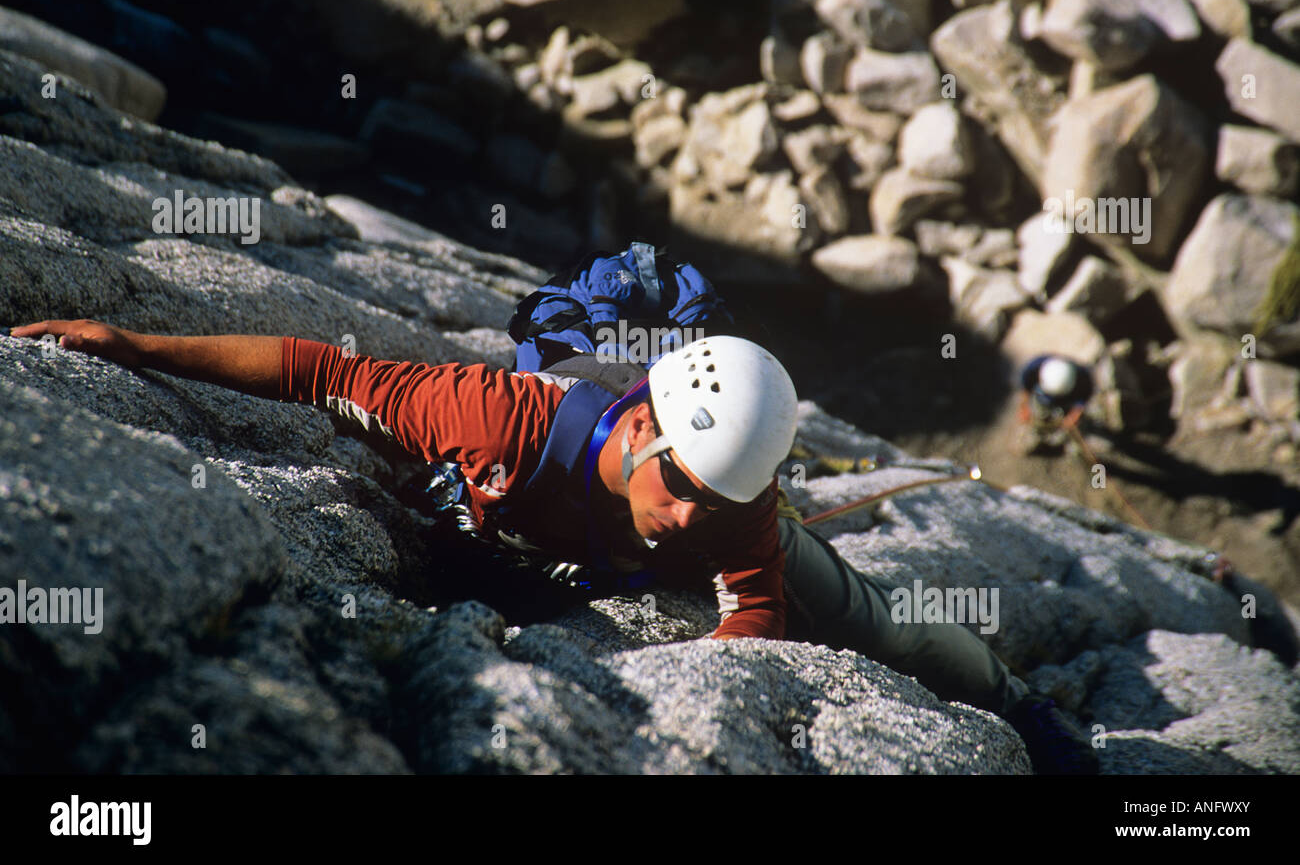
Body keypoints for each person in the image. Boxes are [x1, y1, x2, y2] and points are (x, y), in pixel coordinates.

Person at [8, 318, 1099, 774]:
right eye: (675, 482)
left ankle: (1022, 698)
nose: (683, 513)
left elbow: (755, 618)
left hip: (590, 577)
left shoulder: (735, 505)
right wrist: (132, 343)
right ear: (638, 423)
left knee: (878, 617)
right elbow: (318, 369)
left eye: (712, 499)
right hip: (505, 539)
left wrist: (682, 670)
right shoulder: (493, 418)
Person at [1016, 355, 1094, 455]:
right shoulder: (1033, 368)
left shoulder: (1083, 376)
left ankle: (1069, 439)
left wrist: (1074, 415)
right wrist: (1024, 407)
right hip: (1042, 398)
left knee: (1075, 424)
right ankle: (1039, 433)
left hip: (1069, 399)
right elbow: (1025, 388)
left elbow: (1084, 397)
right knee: (1040, 414)